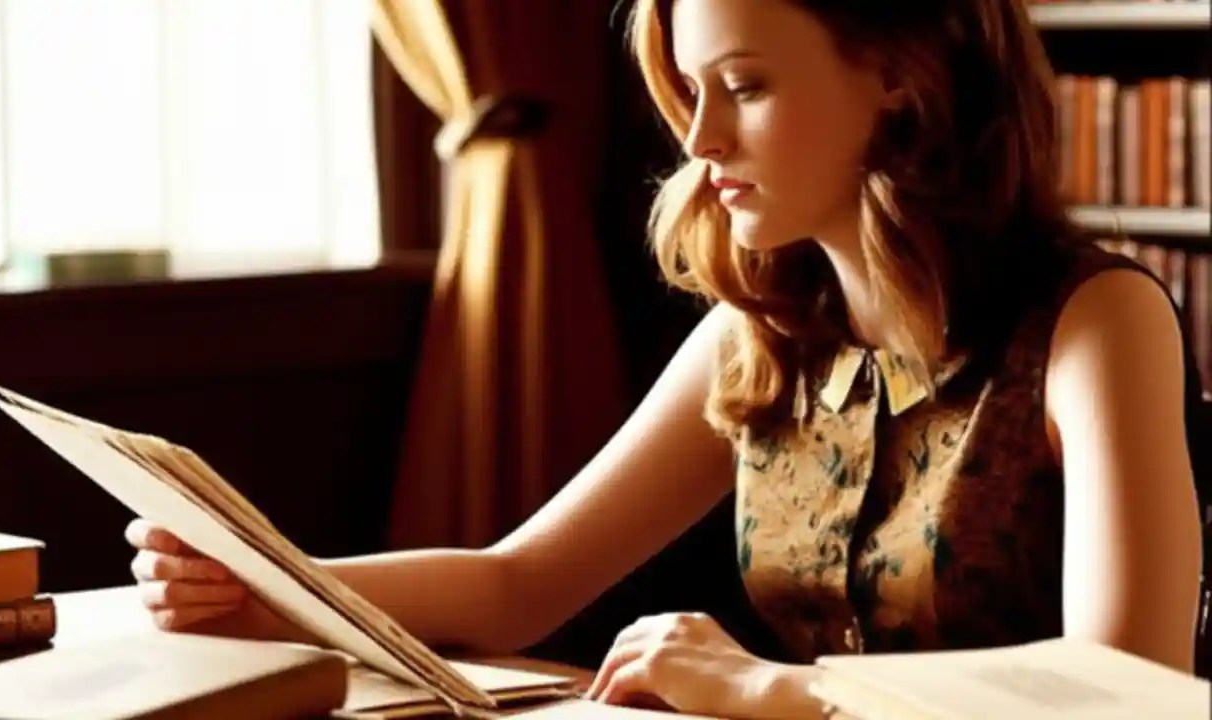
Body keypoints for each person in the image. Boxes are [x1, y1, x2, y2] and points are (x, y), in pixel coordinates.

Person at [125, 0, 1205, 716]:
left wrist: (764, 690)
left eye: (743, 86)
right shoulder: (762, 333)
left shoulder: (1091, 324)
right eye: (692, 91)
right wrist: (267, 588)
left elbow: (1130, 688)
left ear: (898, 75)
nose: (698, 141)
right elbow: (517, 584)